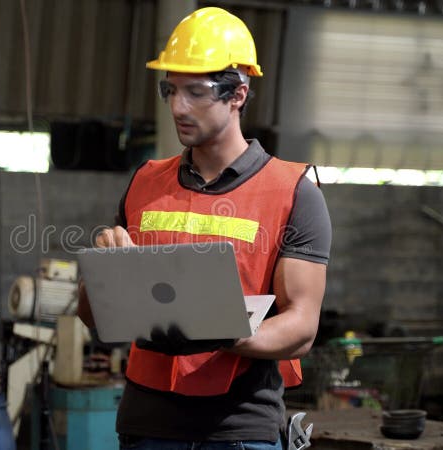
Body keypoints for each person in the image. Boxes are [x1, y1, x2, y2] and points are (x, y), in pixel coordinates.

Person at [77, 7, 331, 450]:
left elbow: (302, 327)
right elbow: (93, 315)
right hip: (146, 425)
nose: (178, 107)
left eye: (196, 92)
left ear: (238, 95)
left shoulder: (293, 192)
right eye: (170, 90)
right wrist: (101, 270)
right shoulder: (144, 182)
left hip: (237, 429)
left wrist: (224, 331)